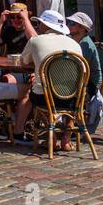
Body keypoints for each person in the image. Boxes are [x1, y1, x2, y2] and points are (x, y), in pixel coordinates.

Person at [13, 10, 83, 142]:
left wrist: (39, 62)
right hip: (72, 98)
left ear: (46, 25)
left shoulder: (36, 41)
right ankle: (66, 139)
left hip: (45, 98)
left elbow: (23, 62)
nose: (38, 25)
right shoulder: (75, 44)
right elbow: (82, 72)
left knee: (29, 92)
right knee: (70, 93)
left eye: (40, 22)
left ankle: (19, 131)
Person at [66, 12, 103, 139]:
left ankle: (68, 128)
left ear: (83, 28)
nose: (68, 25)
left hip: (89, 83)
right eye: (68, 22)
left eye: (72, 23)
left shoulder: (85, 44)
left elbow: (78, 68)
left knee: (62, 92)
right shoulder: (72, 40)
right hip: (77, 79)